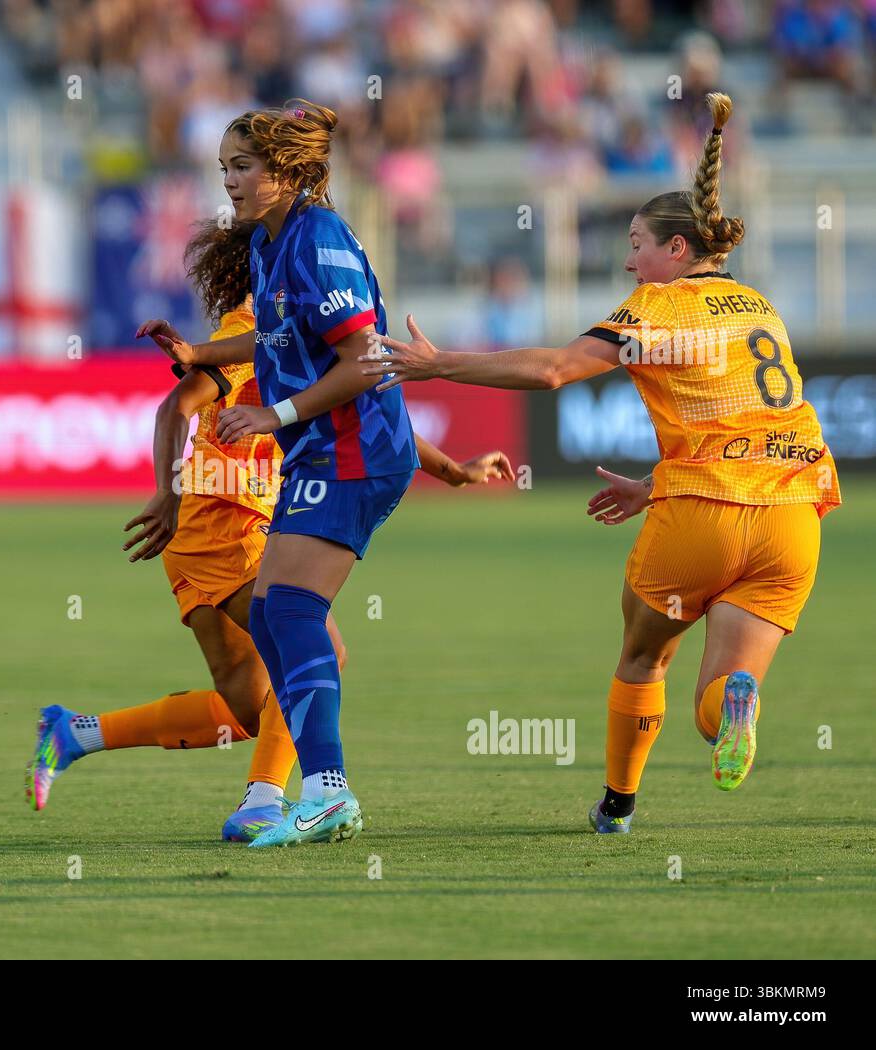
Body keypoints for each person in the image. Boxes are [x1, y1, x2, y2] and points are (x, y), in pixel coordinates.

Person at [360, 93, 841, 834]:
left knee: (644, 657)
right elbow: (751, 421)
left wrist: (439, 363)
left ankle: (617, 806)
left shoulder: (658, 306)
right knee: (719, 698)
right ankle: (740, 696)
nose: (628, 259)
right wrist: (655, 482)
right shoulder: (759, 308)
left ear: (676, 252)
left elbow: (555, 369)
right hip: (792, 519)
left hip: (705, 517)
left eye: (639, 241)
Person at [27, 216, 511, 843]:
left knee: (250, 707)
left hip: (217, 532)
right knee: (315, 646)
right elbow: (178, 405)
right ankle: (265, 801)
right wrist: (168, 496)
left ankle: (72, 734)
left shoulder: (292, 325)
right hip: (222, 526)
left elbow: (366, 404)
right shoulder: (255, 325)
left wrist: (454, 473)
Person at [140, 99, 443, 848]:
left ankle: (324, 792)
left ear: (287, 171)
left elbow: (364, 358)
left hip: (356, 450)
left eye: (242, 167)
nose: (231, 183)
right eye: (224, 170)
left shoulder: (318, 238)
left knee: (294, 613)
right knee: (277, 615)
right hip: (324, 453)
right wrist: (201, 356)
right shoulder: (272, 243)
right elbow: (274, 343)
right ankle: (299, 793)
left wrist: (271, 418)